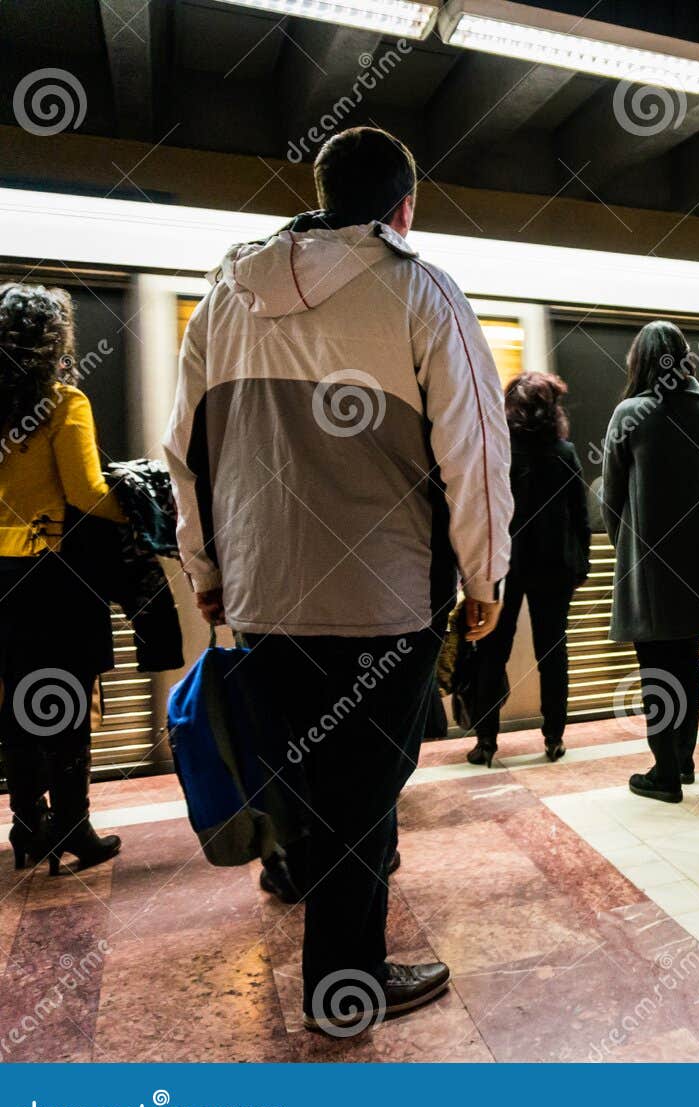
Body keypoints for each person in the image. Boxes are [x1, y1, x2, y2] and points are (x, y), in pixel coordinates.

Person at [165, 127, 512, 1035]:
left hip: (265, 592)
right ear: (405, 207)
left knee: (316, 782)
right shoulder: (421, 288)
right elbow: (474, 445)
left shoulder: (224, 298)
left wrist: (208, 565)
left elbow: (183, 453)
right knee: (365, 793)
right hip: (385, 596)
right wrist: (486, 573)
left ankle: (337, 956)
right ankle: (344, 987)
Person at [0, 283, 126, 874]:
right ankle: (73, 825)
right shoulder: (63, 403)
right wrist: (143, 504)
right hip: (49, 576)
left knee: (15, 705)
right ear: (55, 344)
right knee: (63, 704)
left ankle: (27, 826)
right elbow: (87, 493)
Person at [601, 321, 699, 804]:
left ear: (640, 360)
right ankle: (685, 759)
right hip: (698, 558)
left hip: (649, 560)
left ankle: (664, 772)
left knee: (656, 668)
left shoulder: (630, 413)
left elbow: (611, 496)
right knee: (688, 660)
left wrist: (627, 547)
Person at [467, 372, 590, 765]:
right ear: (551, 410)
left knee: (492, 652)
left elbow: (482, 512)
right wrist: (581, 566)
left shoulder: (499, 452)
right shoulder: (565, 453)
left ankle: (486, 741)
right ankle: (554, 736)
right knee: (552, 653)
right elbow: (580, 517)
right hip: (554, 567)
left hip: (504, 566)